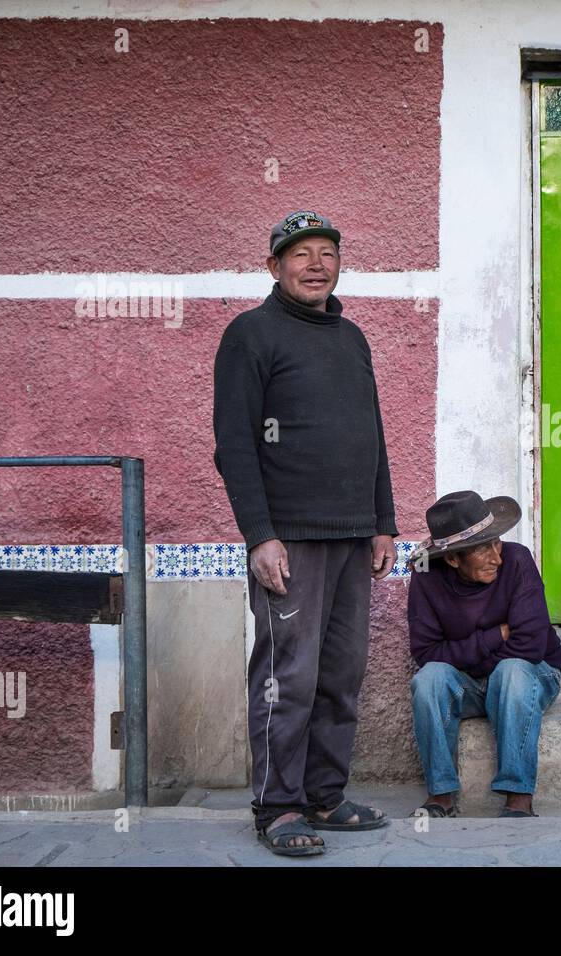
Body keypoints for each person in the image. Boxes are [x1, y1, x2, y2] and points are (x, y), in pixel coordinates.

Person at [213, 210, 398, 856]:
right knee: (286, 677)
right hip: (289, 540)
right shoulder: (250, 335)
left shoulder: (353, 340)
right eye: (301, 254)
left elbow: (372, 436)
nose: (317, 264)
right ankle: (278, 806)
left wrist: (383, 524)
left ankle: (325, 793)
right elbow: (234, 446)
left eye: (328, 253)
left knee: (340, 673)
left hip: (353, 538)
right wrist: (260, 535)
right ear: (274, 267)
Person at [406, 491, 561, 818]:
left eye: (496, 542)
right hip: (470, 684)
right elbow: (426, 653)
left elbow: (531, 646)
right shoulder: (427, 577)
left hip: (531, 676)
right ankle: (441, 796)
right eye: (482, 548)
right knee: (429, 680)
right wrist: (496, 635)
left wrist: (465, 656)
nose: (497, 557)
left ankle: (518, 797)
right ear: (453, 559)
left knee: (511, 672)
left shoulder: (518, 560)